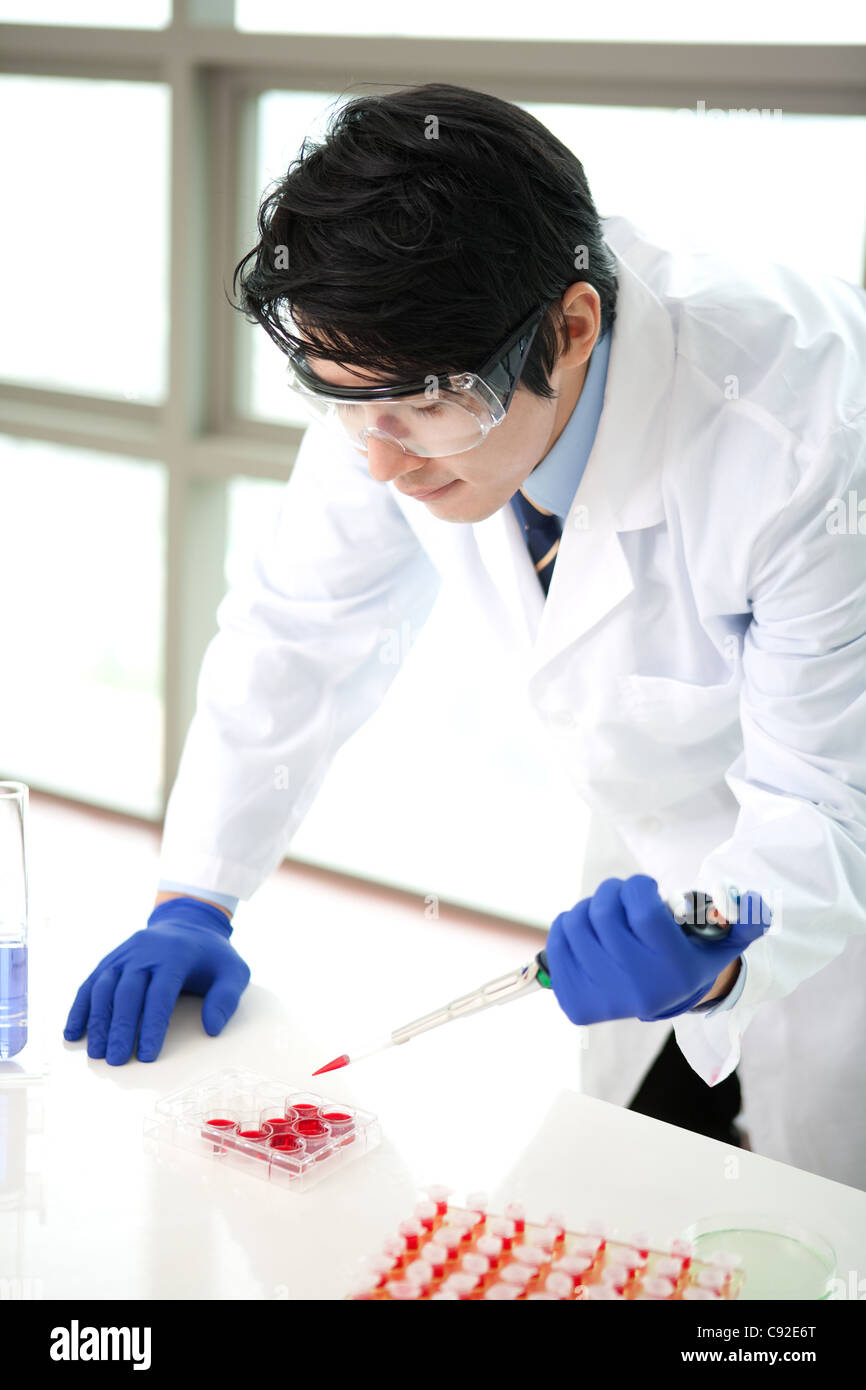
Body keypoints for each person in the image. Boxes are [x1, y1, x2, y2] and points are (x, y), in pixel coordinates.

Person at [65, 84, 866, 1188]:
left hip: (829, 879)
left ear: (570, 327)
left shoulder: (802, 424)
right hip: (638, 880)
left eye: (417, 406)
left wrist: (717, 949)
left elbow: (824, 799)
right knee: (632, 1198)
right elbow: (300, 629)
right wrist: (197, 892)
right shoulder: (391, 372)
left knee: (815, 1236)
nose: (380, 460)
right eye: (342, 399)